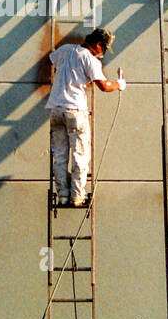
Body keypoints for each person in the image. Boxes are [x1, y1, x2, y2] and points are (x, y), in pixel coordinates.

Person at [46, 27, 125, 207]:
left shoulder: (65, 49)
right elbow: (104, 86)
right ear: (97, 44)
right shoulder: (90, 60)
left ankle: (63, 195)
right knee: (79, 155)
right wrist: (119, 84)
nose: (103, 53)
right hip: (75, 111)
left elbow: (51, 60)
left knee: (60, 156)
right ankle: (77, 196)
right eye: (103, 48)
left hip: (56, 110)